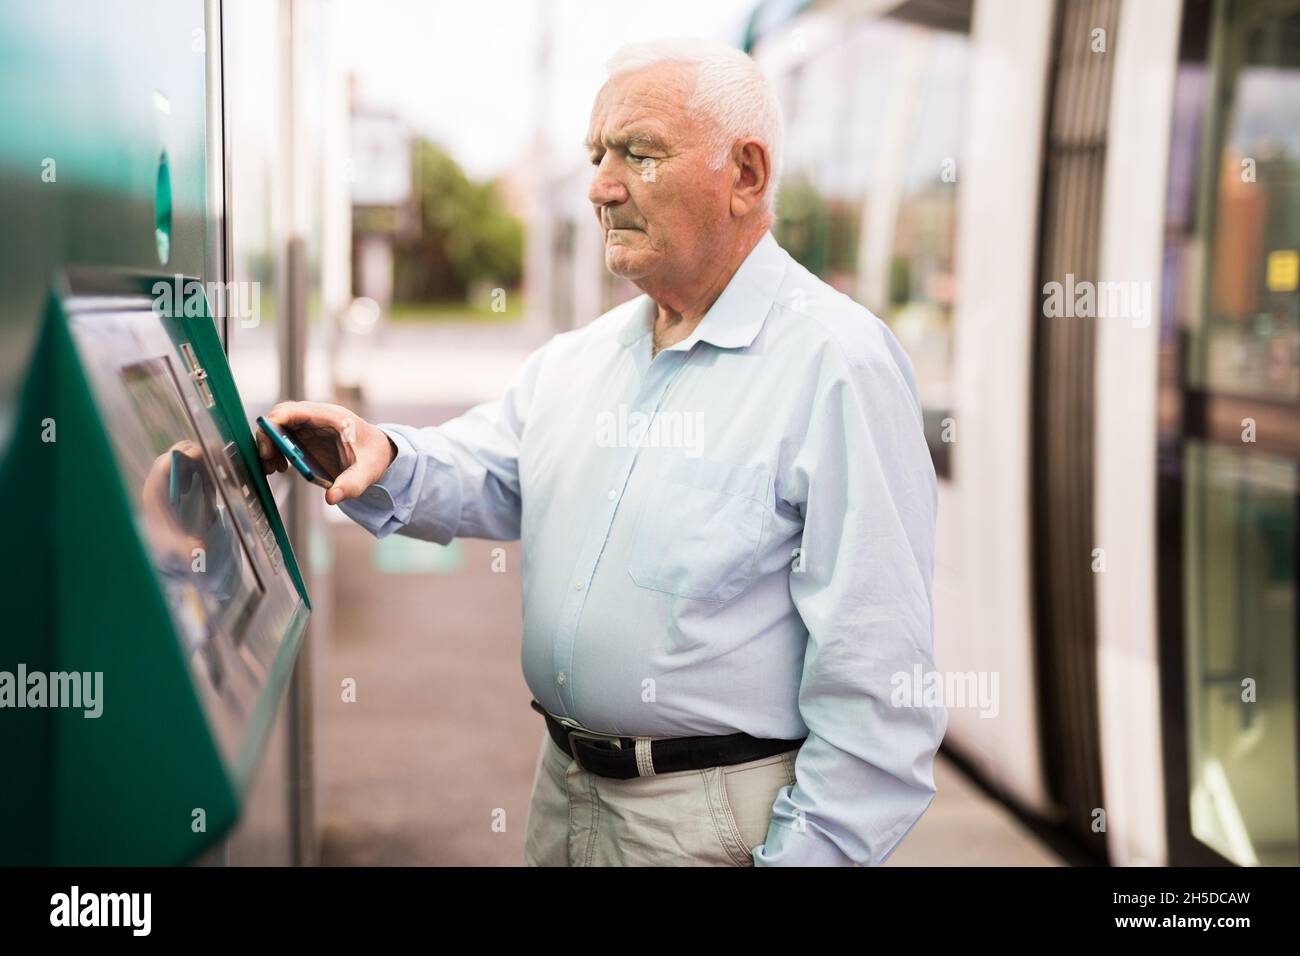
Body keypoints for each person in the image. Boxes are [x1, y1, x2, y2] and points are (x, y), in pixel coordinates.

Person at [256, 37, 946, 866]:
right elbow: (494, 470)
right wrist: (379, 453)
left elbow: (879, 697)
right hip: (564, 798)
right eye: (597, 154)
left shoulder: (837, 364)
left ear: (747, 175)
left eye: (640, 153)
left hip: (719, 826)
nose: (601, 185)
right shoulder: (583, 358)